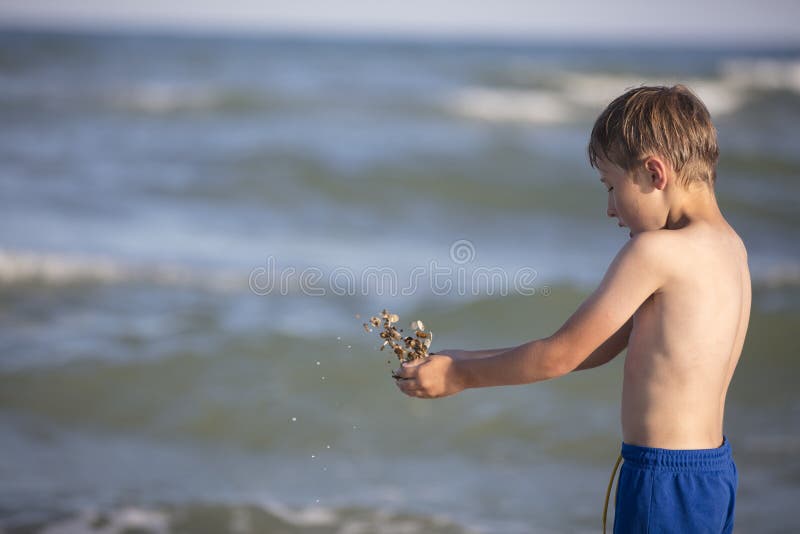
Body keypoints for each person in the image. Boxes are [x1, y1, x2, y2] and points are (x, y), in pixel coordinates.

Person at [393, 84, 749, 533]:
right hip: (712, 475)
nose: (609, 209)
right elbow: (594, 349)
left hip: (663, 481)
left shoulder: (655, 252)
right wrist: (462, 356)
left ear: (655, 174)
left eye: (612, 186)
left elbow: (560, 354)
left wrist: (458, 377)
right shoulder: (731, 249)